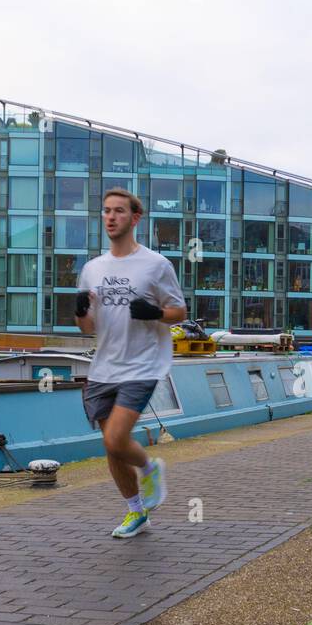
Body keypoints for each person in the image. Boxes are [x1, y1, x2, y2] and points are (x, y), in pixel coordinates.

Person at [75, 188, 187, 538]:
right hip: (103, 365)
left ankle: (150, 467)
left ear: (135, 218)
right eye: (106, 211)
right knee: (111, 445)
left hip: (143, 363)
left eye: (119, 211)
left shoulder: (156, 264)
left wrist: (155, 312)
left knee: (117, 438)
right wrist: (80, 313)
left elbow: (179, 311)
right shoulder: (93, 268)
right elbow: (88, 327)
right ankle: (136, 512)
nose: (111, 217)